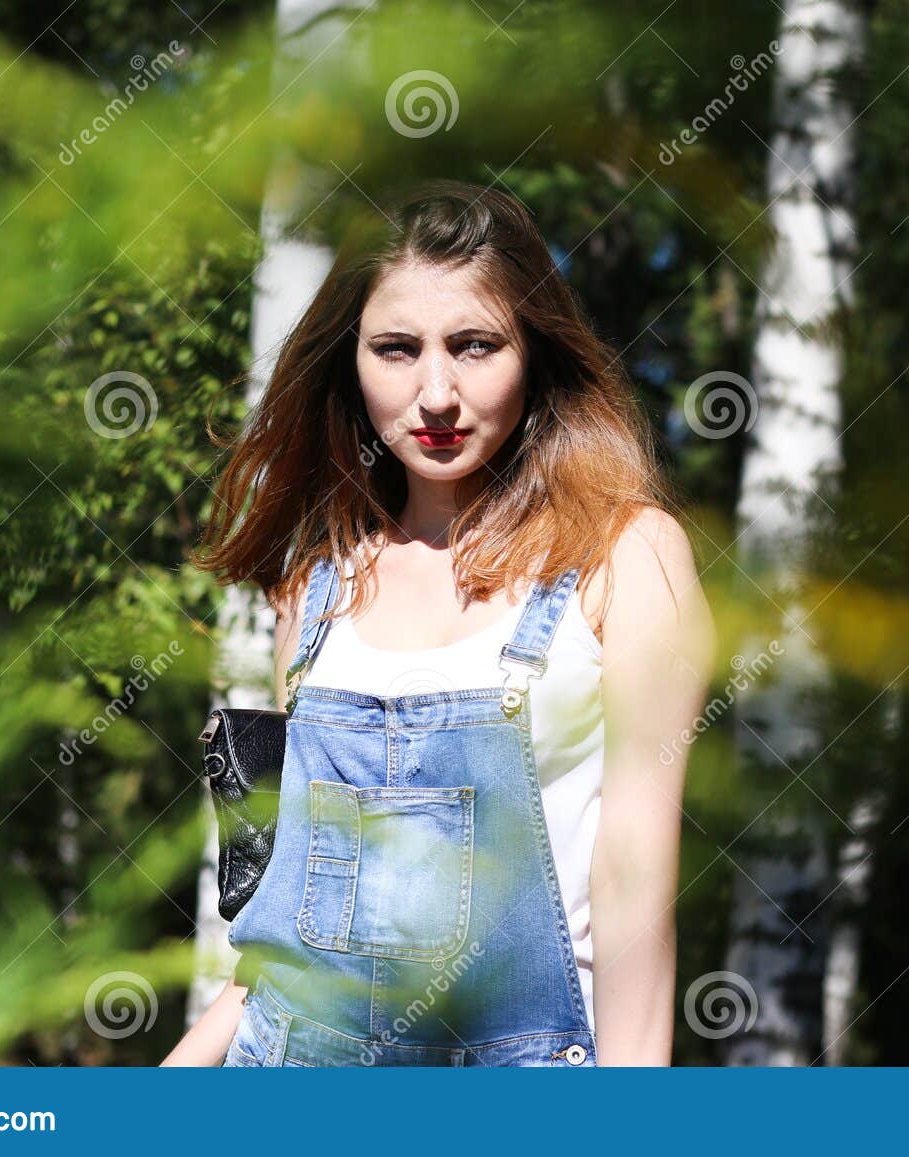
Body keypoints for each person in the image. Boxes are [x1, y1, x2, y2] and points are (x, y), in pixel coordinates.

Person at [162, 179, 713, 1067]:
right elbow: (282, 927)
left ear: (534, 350)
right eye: (396, 349)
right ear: (351, 360)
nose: (437, 392)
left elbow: (633, 884)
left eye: (475, 345)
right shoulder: (316, 589)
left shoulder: (629, 559)